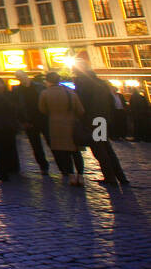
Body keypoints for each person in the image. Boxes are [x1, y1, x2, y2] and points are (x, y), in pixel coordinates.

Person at [71, 54, 129, 188]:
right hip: (102, 118)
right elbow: (110, 102)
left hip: (92, 120)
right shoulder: (100, 83)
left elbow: (82, 104)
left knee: (99, 149)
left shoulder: (83, 83)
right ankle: (121, 177)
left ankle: (110, 178)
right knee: (106, 147)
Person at [38, 71, 86, 186]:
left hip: (56, 125)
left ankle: (71, 176)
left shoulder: (45, 93)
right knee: (76, 152)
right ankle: (80, 176)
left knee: (64, 152)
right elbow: (80, 110)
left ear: (47, 81)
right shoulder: (70, 92)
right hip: (72, 124)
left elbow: (42, 109)